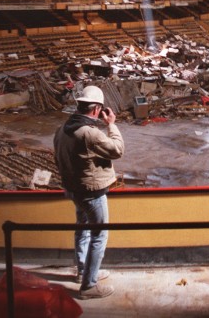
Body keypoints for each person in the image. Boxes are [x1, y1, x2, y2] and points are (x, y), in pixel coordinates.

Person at [53, 85, 124, 300]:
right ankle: (89, 286)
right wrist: (111, 125)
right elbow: (117, 150)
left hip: (73, 189)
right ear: (96, 109)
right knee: (99, 235)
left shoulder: (62, 129)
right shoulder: (89, 133)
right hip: (92, 193)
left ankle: (83, 271)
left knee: (82, 230)